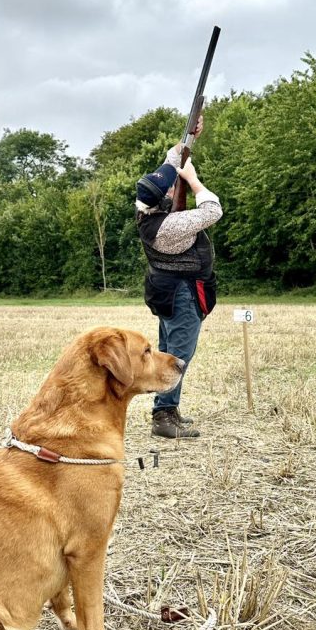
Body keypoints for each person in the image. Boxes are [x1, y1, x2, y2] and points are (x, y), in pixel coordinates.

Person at [135, 117, 222, 438]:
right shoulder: (166, 229)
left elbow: (173, 160)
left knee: (167, 349)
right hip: (182, 293)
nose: (175, 185)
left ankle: (167, 407)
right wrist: (195, 181)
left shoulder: (146, 200)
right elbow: (213, 211)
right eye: (171, 186)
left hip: (166, 289)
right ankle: (163, 417)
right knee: (179, 356)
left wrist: (189, 137)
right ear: (163, 201)